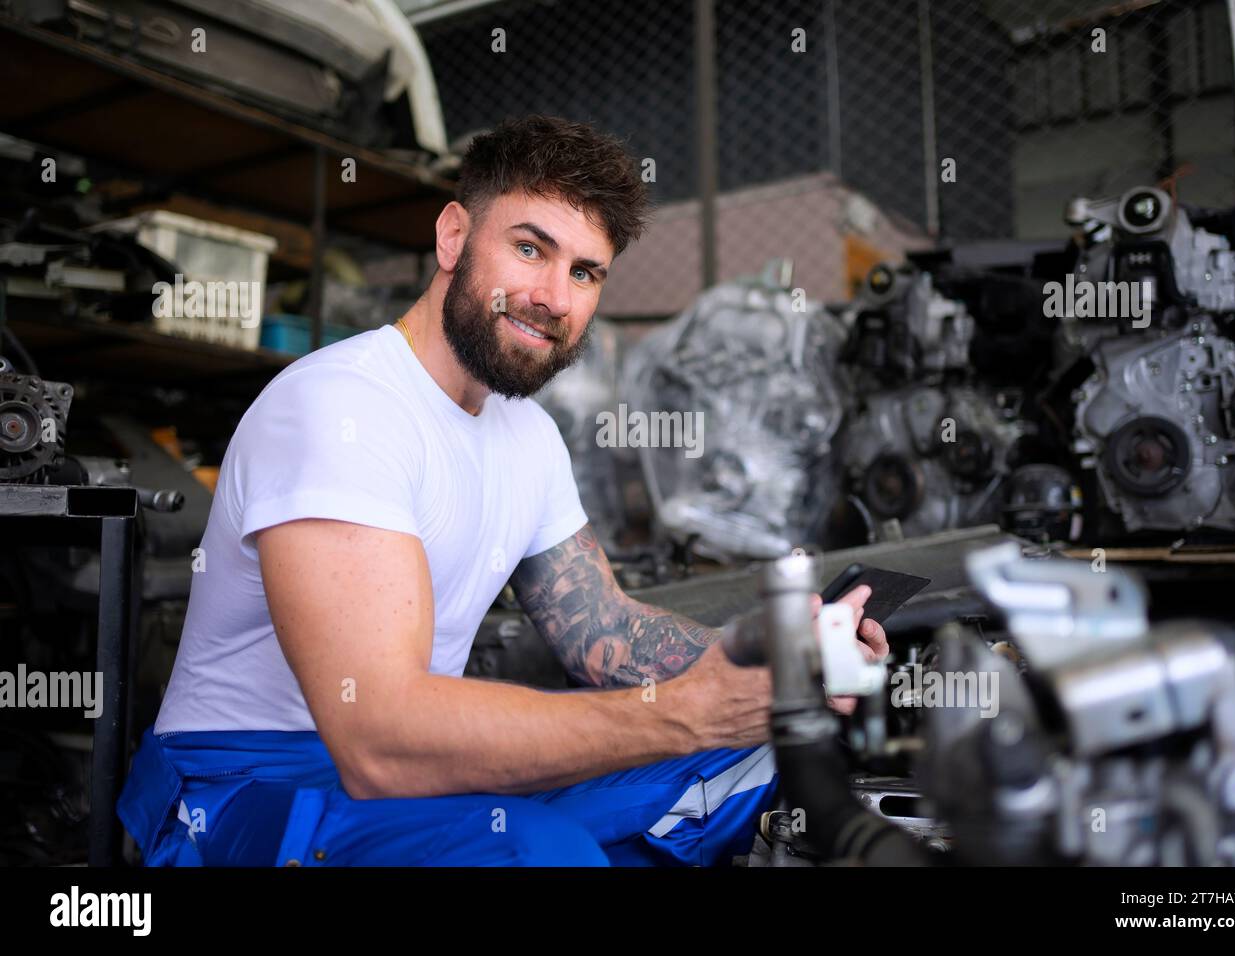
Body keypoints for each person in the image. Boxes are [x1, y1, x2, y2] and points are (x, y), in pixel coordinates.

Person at [117, 114, 888, 866]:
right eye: (530, 248)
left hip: (415, 782)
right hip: (242, 787)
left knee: (756, 754)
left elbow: (601, 629)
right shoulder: (339, 408)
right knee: (536, 847)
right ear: (453, 236)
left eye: (585, 272)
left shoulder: (529, 436)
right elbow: (379, 740)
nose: (555, 296)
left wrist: (771, 662)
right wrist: (687, 717)